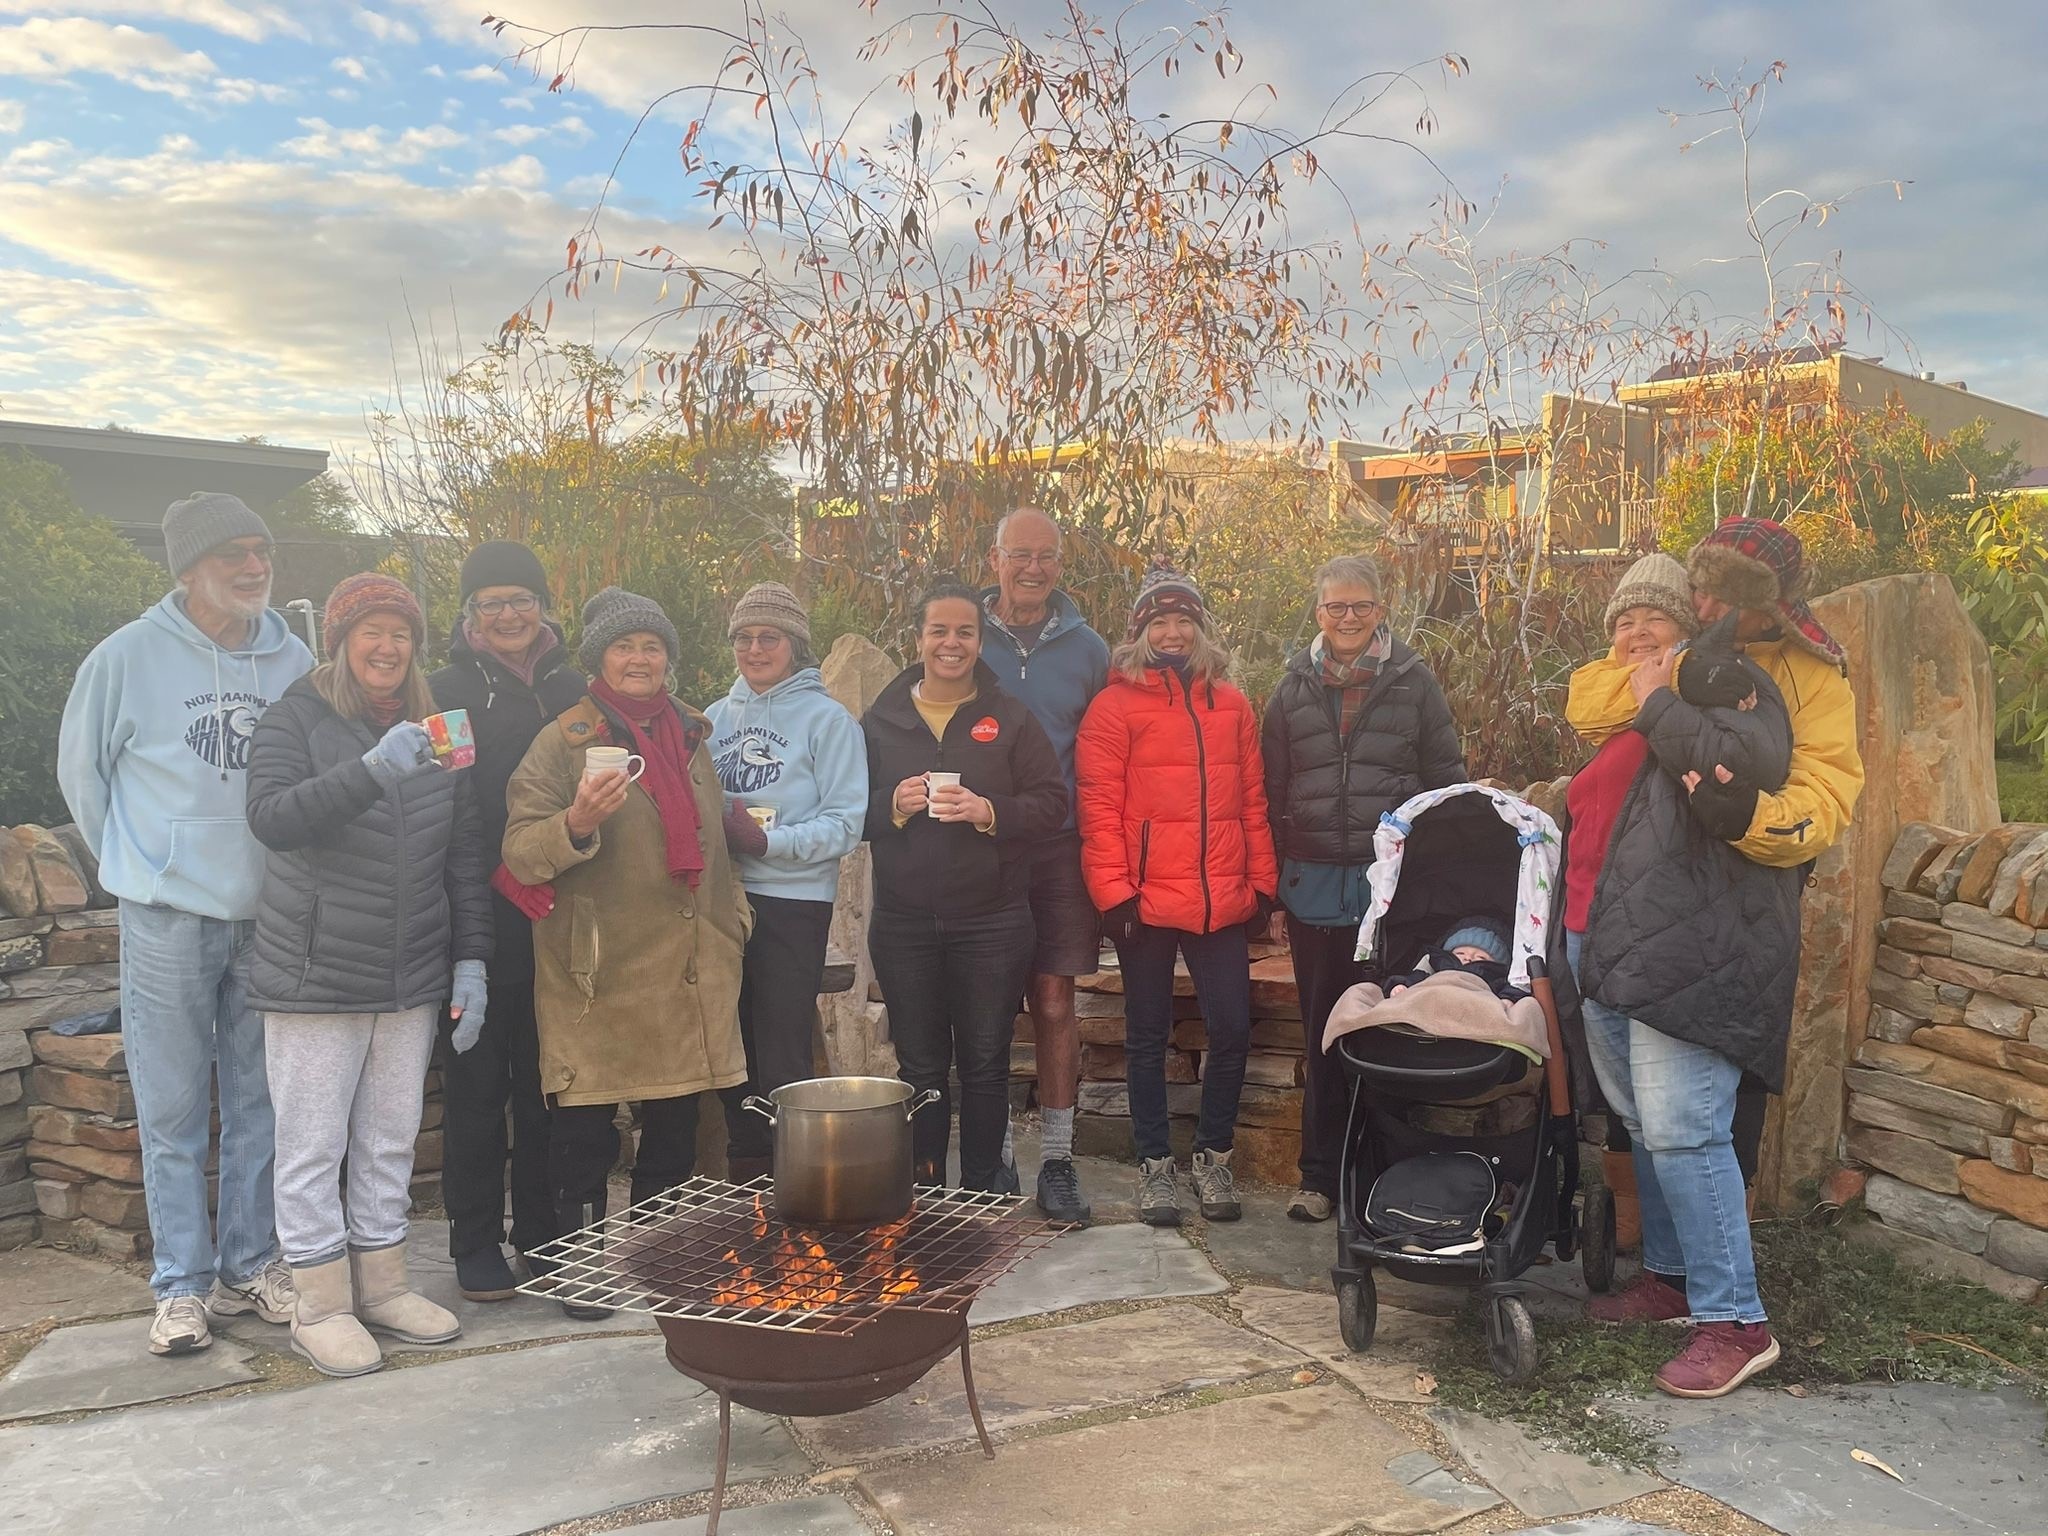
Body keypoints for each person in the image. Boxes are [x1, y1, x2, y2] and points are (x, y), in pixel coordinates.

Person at [57, 492, 313, 1358]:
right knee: (169, 1112)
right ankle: (180, 1288)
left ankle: (250, 1265)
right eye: (234, 553)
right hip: (167, 919)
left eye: (262, 548)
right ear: (188, 568)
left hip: (268, 917)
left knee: (260, 1105)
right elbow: (84, 781)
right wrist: (143, 868)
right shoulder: (126, 658)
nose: (254, 566)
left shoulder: (294, 661)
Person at [1561, 549, 1798, 1398]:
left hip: (1679, 944)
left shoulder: (1721, 683)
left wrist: (1661, 697)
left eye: (1652, 616)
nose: (1634, 629)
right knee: (1647, 1125)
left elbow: (1755, 768)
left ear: (1690, 627)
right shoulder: (1620, 719)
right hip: (1601, 942)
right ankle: (1671, 1279)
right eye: (1622, 619)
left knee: (1687, 1125)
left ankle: (1737, 1319)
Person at [245, 573, 492, 1377]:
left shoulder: (440, 732)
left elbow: (463, 854)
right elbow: (273, 820)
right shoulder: (297, 717)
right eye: (370, 633)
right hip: (316, 970)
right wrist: (370, 772)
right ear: (341, 642)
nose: (387, 648)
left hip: (411, 970)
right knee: (312, 1145)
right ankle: (320, 1304)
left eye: (401, 633)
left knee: (388, 1138)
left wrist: (471, 959)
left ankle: (382, 1285)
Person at [502, 586, 752, 1318]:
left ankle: (657, 1257)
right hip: (599, 972)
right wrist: (575, 822)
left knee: (674, 1127)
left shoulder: (695, 734)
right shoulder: (564, 741)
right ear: (599, 660)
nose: (640, 659)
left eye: (652, 646)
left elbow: (716, 843)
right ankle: (581, 1265)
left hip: (689, 965)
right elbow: (519, 852)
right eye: (624, 647)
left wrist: (734, 920)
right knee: (583, 1131)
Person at [1261, 554, 1464, 1222]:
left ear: (1382, 609)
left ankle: (1382, 1181)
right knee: (1325, 1033)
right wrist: (1272, 893)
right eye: (1335, 607)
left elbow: (1445, 784)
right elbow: (1268, 792)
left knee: (1389, 1028)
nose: (1348, 619)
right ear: (1317, 614)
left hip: (1392, 891)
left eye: (1361, 607)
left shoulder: (1414, 684)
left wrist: (1429, 882)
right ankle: (1319, 1178)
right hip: (1314, 888)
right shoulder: (1290, 691)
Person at [1076, 564, 1278, 1227]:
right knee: (1145, 1036)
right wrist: (1114, 894)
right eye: (1159, 621)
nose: (1171, 632)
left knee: (1231, 1029)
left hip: (1220, 896)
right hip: (1143, 903)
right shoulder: (1113, 707)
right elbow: (1099, 808)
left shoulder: (1233, 705)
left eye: (1182, 620)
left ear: (1200, 629)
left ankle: (1212, 1158)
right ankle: (1155, 1166)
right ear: (1140, 631)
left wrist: (1261, 885)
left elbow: (1252, 800)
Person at [862, 580, 1068, 1192]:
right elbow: (847, 813)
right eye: (939, 631)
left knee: (983, 1063)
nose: (951, 644)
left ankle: (982, 1185)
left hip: (993, 920)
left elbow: (1052, 803)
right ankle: (923, 1187)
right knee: (920, 1066)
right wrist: (892, 806)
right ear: (918, 639)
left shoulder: (1009, 716)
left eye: (965, 632)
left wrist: (989, 812)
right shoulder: (880, 720)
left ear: (980, 642)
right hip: (903, 923)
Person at [1684, 517, 1866, 1185]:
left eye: (1716, 597)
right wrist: (1666, 665)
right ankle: (1649, 1234)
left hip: (1756, 895)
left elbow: (1828, 790)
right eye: (1697, 589)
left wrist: (1752, 817)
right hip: (1668, 885)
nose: (1700, 607)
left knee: (1736, 1066)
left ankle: (1727, 1240)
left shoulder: (1816, 678)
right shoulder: (1686, 641)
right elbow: (1594, 703)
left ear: (1761, 602)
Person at [427, 542, 586, 1301]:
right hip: (480, 916)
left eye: (520, 598)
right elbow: (446, 803)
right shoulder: (446, 692)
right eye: (491, 602)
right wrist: (496, 875)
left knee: (549, 1084)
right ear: (470, 616)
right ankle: (476, 1238)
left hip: (564, 915)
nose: (509, 614)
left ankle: (547, 1234)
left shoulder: (574, 689)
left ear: (542, 606)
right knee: (479, 1082)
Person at [705, 581, 867, 1180]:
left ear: (794, 644)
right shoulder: (715, 719)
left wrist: (768, 841)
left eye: (768, 637)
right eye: (743, 638)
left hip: (793, 901)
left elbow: (846, 824)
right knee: (728, 1044)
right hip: (723, 900)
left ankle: (795, 1176)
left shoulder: (829, 721)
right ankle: (745, 1176)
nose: (754, 649)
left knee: (779, 1047)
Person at [979, 507, 1110, 1223]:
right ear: (993, 558)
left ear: (1062, 564)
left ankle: (1057, 1161)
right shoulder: (962, 638)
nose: (1033, 569)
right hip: (982, 846)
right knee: (989, 1009)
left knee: (1056, 1003)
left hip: (1060, 848)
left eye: (1047, 557)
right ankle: (993, 1156)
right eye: (1019, 555)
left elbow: (1106, 753)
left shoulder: (1090, 649)